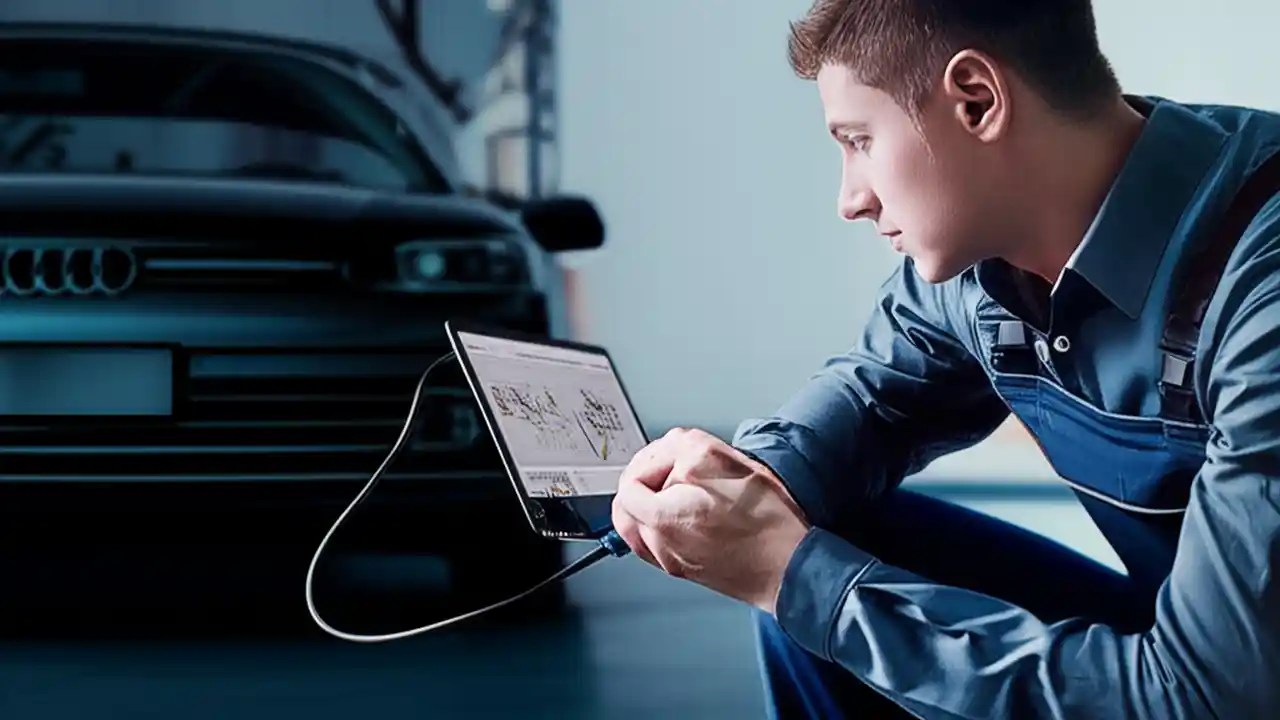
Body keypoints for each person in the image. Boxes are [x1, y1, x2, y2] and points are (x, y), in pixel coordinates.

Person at [609, 0, 1280, 717]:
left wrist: (795, 577)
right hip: (1199, 654)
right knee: (811, 539)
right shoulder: (983, 264)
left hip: (1227, 683)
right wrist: (736, 483)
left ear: (976, 101)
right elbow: (870, 398)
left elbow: (1211, 696)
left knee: (804, 575)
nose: (850, 199)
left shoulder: (1260, 283)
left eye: (859, 139)